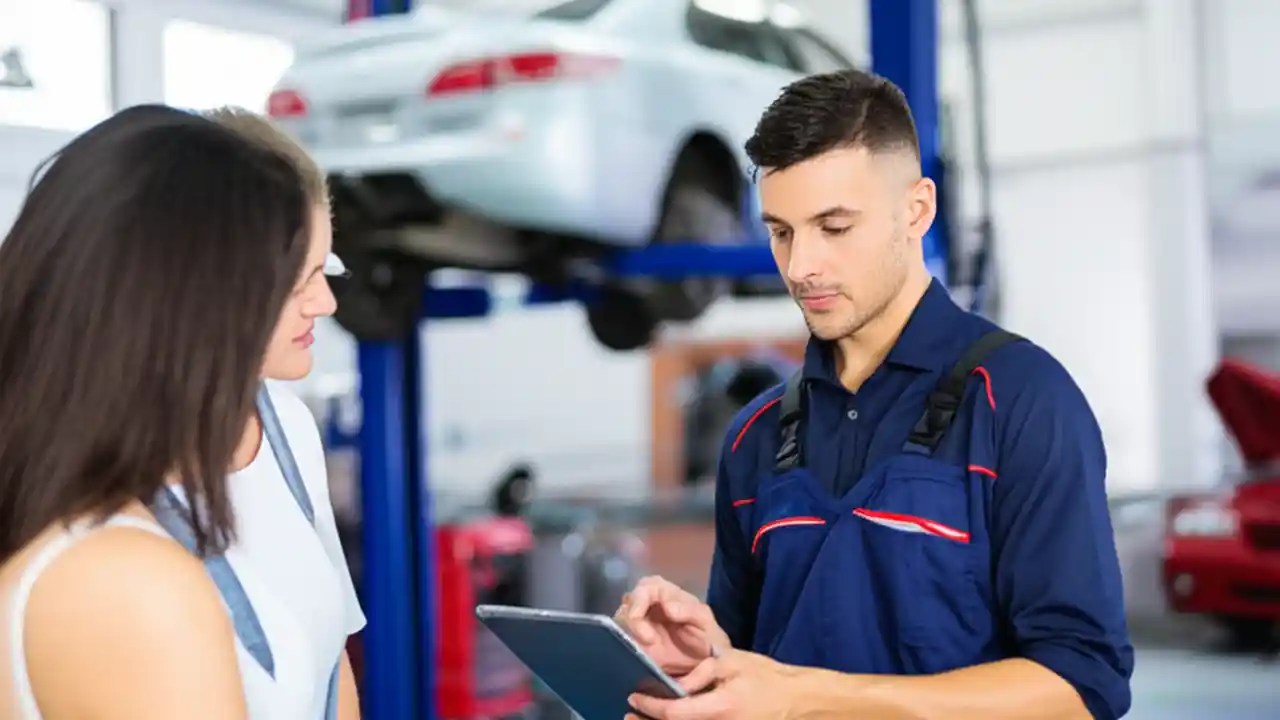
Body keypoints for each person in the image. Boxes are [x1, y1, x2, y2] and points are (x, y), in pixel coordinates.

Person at [616, 70, 1134, 720]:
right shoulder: (755, 437)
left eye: (834, 227)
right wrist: (700, 662)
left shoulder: (1022, 403)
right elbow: (754, 673)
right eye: (781, 231)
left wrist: (804, 698)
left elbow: (1082, 687)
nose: (801, 266)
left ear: (916, 210)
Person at [0, 104, 364, 719]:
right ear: (194, 299)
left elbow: (330, 665)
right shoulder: (123, 581)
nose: (326, 303)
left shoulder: (285, 428)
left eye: (323, 270)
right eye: (297, 280)